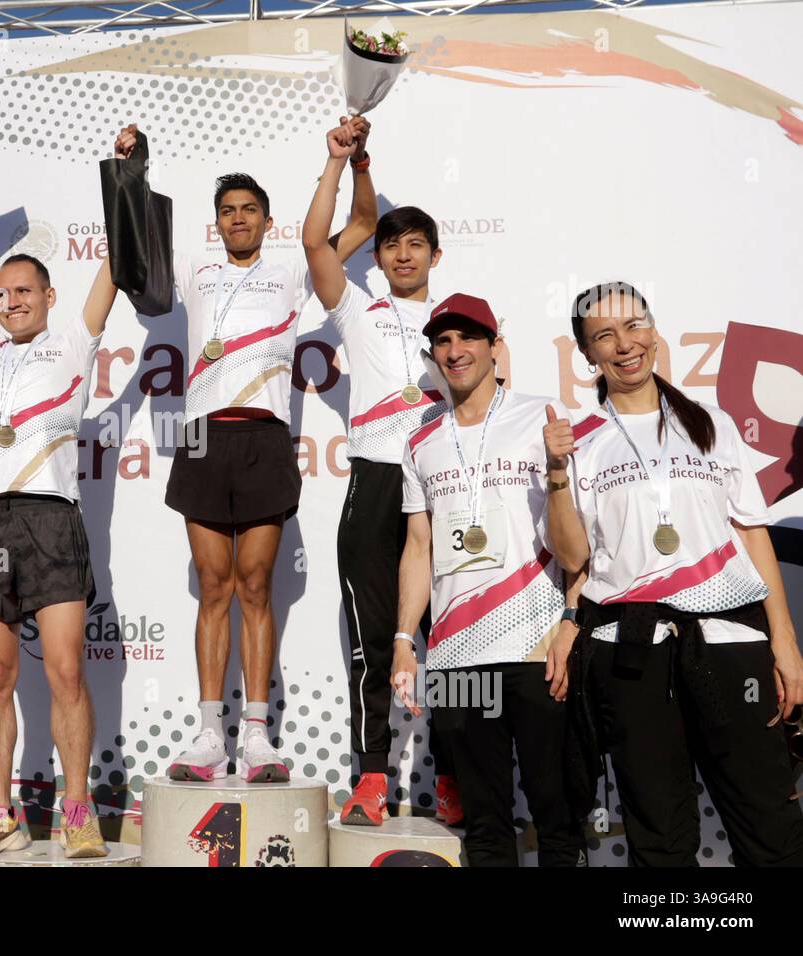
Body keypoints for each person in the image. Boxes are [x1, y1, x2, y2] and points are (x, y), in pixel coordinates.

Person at [113, 122, 365, 784]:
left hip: (263, 435)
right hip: (201, 433)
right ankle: (206, 734)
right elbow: (136, 253)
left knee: (256, 583)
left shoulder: (292, 271)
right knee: (214, 586)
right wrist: (132, 170)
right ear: (218, 224)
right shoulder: (195, 270)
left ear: (267, 220)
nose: (238, 219)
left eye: (249, 210)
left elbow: (358, 227)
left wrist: (337, 162)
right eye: (228, 212)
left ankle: (256, 736)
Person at [542, 281, 803, 866]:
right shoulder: (578, 440)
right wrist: (557, 473)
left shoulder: (713, 423)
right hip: (631, 651)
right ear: (587, 354)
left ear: (654, 331)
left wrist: (784, 643)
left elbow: (751, 535)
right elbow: (574, 557)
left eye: (634, 326)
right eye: (604, 335)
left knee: (771, 824)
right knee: (658, 836)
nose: (624, 344)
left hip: (731, 642)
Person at [0, 246, 118, 858]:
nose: (12, 302)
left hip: (50, 516)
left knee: (65, 672)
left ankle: (78, 812)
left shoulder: (74, 341)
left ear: (49, 297)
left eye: (24, 292)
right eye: (3, 294)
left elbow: (111, 276)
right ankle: (1, 816)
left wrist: (127, 170)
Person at [301, 121, 462, 825]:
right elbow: (314, 242)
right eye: (390, 244)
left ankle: (454, 775)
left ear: (434, 254)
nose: (401, 254)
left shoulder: (461, 329)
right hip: (373, 479)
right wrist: (345, 162)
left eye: (414, 244)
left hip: (443, 488)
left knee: (452, 639)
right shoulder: (358, 311)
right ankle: (371, 779)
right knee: (372, 641)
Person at [393, 293, 586, 866]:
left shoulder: (542, 415)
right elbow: (419, 547)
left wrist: (572, 620)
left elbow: (580, 532)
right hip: (455, 657)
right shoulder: (420, 441)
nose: (455, 352)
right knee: (484, 825)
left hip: (537, 650)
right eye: (444, 343)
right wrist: (406, 641)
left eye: (468, 338)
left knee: (557, 816)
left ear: (494, 347)